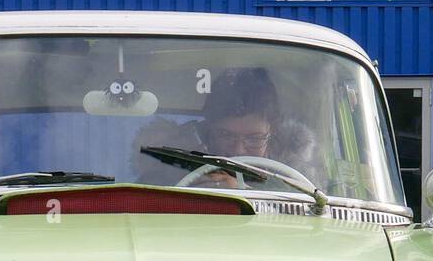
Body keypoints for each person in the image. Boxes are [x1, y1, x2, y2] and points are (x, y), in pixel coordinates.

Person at [135, 67, 318, 188]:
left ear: (273, 133)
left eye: (254, 139)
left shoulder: (301, 184)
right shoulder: (170, 168)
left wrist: (242, 192)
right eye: (226, 136)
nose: (238, 149)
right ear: (207, 131)